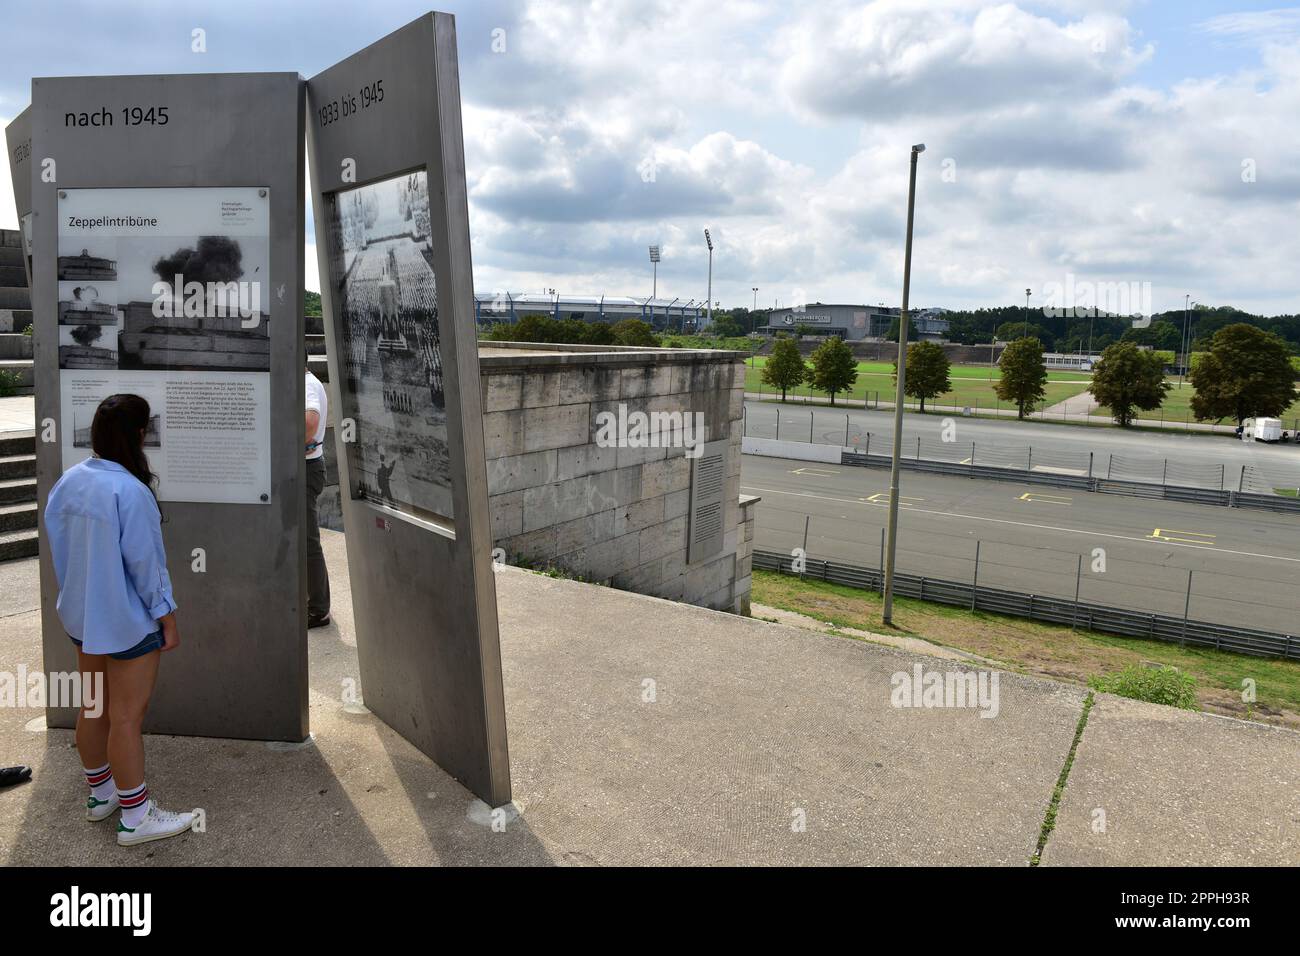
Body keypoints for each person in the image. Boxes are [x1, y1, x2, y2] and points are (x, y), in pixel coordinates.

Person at [45, 394, 194, 847]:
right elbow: (147, 567)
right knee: (127, 717)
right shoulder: (131, 490)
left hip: (82, 619)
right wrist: (167, 618)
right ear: (137, 435)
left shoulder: (68, 481)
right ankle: (136, 816)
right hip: (128, 623)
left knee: (93, 707)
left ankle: (101, 795)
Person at [305, 363, 331, 628]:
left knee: (308, 542)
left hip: (307, 469)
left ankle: (319, 609)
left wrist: (285, 441)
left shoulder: (307, 384)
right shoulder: (309, 381)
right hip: (308, 466)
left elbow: (310, 422)